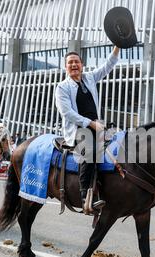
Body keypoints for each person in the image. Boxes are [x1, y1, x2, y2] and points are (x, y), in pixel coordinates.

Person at [55, 46, 120, 214]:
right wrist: (91, 124)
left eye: (76, 61)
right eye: (70, 62)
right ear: (65, 67)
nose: (74, 65)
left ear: (82, 64)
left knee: (119, 145)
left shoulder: (89, 78)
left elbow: (108, 66)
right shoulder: (62, 87)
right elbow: (67, 113)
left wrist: (117, 45)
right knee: (89, 152)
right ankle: (85, 197)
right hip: (77, 130)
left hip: (98, 127)